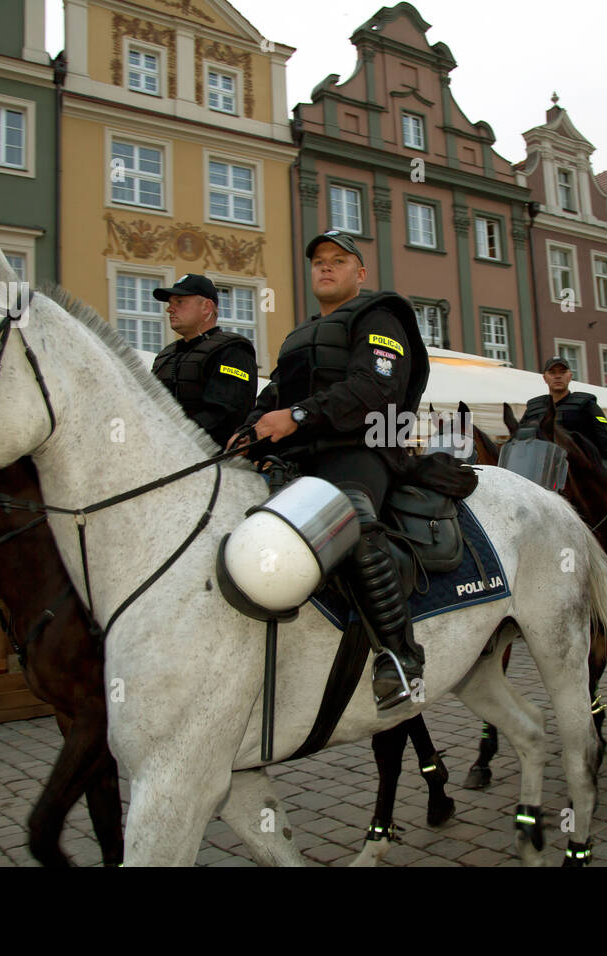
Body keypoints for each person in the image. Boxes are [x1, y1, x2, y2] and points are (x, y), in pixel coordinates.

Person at [229, 230, 429, 712]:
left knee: (351, 519)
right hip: (301, 456)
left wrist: (296, 417)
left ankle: (400, 658)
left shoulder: (379, 316)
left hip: (361, 448)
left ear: (359, 272)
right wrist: (250, 429)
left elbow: (373, 392)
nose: (325, 267)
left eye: (338, 260)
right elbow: (274, 396)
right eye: (318, 260)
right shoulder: (300, 335)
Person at [150, 274, 257, 448]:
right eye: (170, 303)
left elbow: (226, 414)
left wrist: (174, 436)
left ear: (206, 307)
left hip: (214, 462)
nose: (169, 309)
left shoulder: (232, 351)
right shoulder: (165, 357)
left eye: (179, 302)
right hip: (164, 455)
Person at [516, 355, 607, 462]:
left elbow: (605, 442)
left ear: (570, 376)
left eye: (562, 372)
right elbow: (520, 440)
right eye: (552, 373)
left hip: (579, 470)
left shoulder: (586, 404)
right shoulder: (533, 407)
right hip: (541, 467)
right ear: (545, 378)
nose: (558, 376)